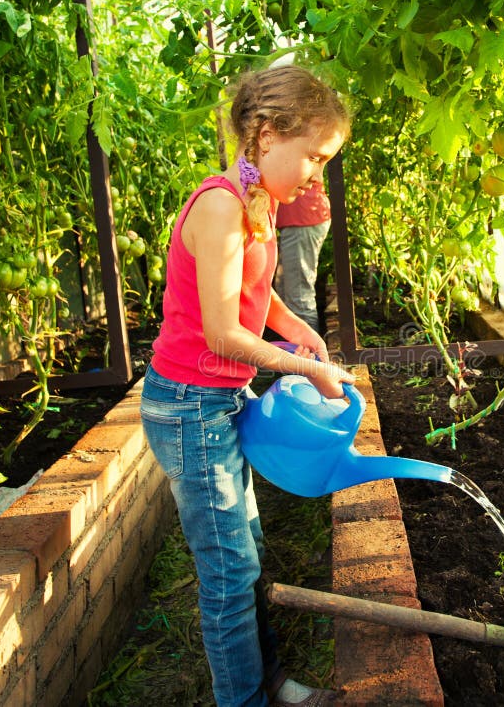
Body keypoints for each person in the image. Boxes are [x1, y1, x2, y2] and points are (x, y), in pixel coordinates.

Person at [139, 65, 355, 707]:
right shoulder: (221, 208)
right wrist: (306, 368)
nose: (317, 175)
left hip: (215, 399)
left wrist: (300, 332)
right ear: (266, 135)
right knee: (231, 574)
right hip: (188, 406)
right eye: (314, 157)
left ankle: (265, 681)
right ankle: (245, 699)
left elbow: (252, 303)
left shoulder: (256, 200)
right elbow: (223, 336)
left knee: (248, 555)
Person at [274, 181, 332, 333]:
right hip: (299, 220)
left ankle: (312, 354)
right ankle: (297, 351)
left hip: (301, 220)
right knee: (285, 292)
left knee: (298, 296)